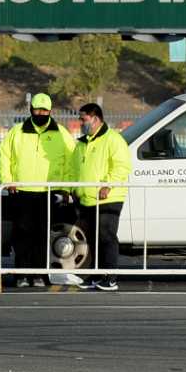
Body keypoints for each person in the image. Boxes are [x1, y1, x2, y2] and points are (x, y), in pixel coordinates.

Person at [0, 92, 77, 289]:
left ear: (50, 111)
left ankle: (40, 274)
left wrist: (65, 188)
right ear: (31, 110)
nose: (40, 113)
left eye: (44, 110)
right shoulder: (17, 132)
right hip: (21, 191)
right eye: (37, 109)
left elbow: (71, 164)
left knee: (42, 234)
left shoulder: (62, 134)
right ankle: (22, 274)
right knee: (22, 233)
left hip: (49, 191)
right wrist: (8, 181)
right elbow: (4, 158)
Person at [71, 103, 132, 291]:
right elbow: (74, 169)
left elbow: (122, 166)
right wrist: (71, 189)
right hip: (87, 198)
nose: (81, 123)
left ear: (96, 119)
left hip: (108, 197)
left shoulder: (113, 139)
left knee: (106, 236)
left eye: (84, 119)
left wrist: (108, 185)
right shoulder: (81, 144)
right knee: (92, 239)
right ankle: (96, 275)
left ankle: (110, 277)